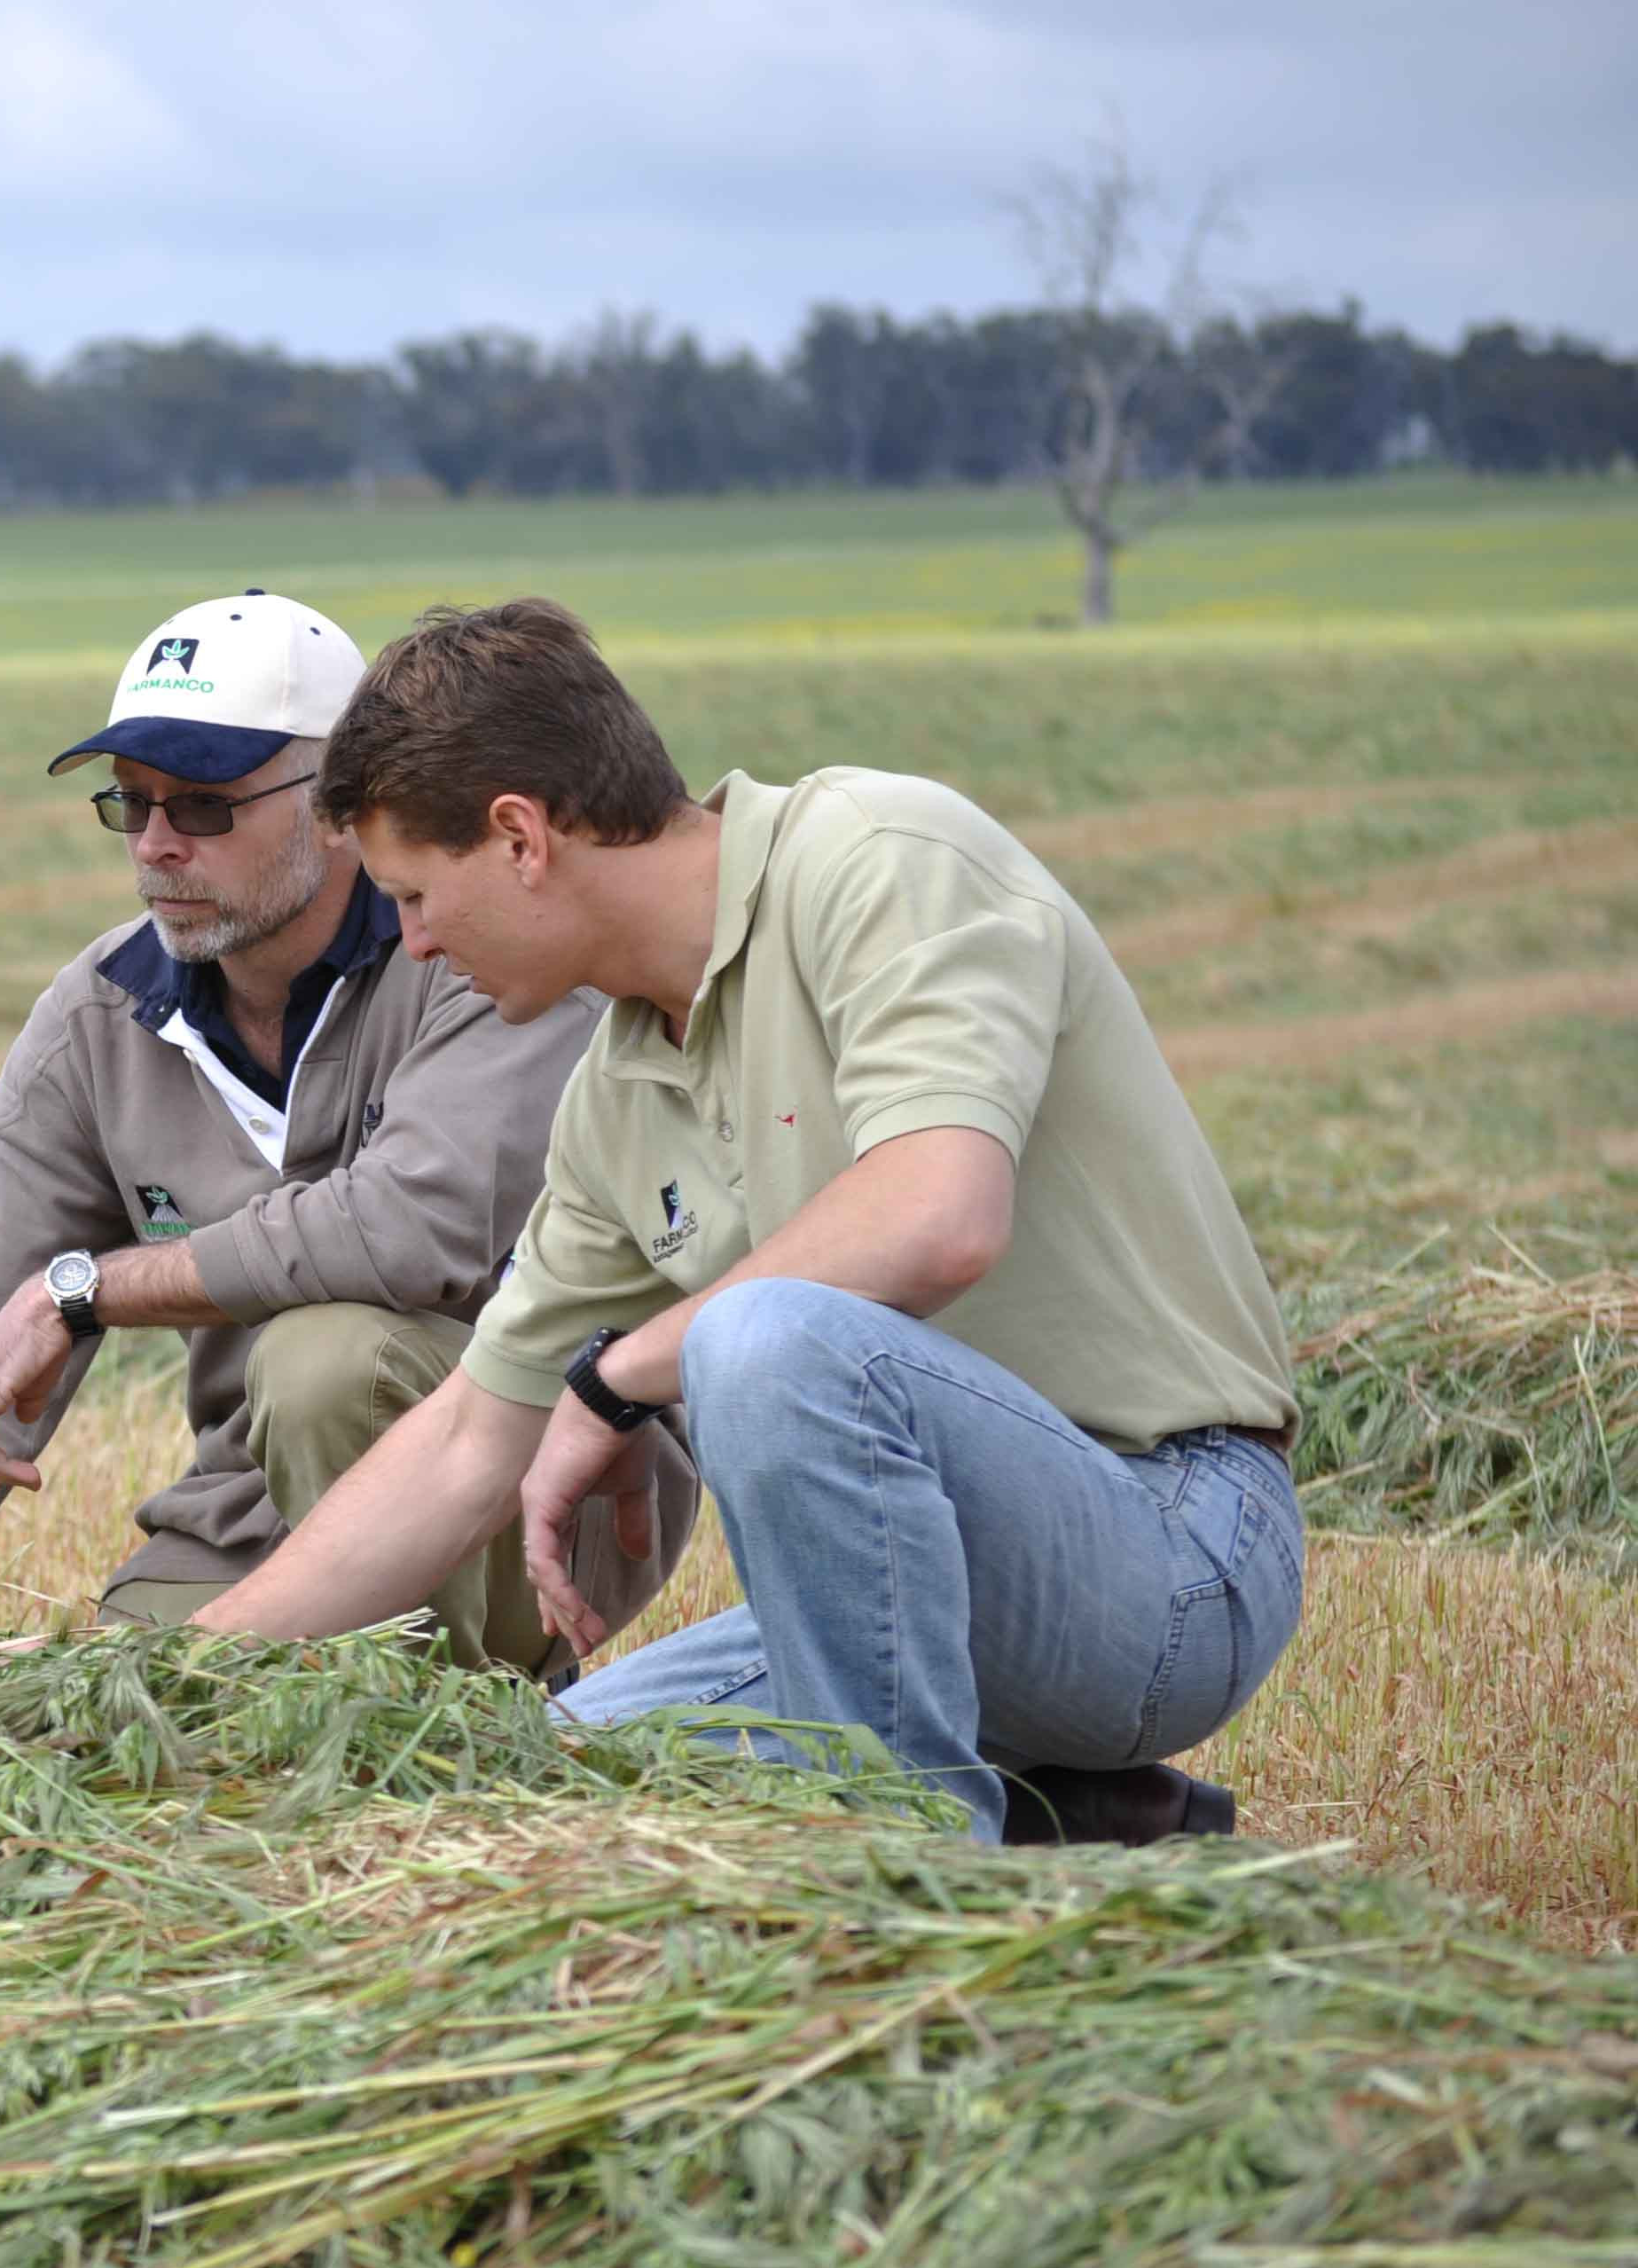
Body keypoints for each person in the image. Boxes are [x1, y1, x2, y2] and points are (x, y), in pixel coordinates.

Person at [197, 599, 1302, 1845]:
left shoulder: (881, 855)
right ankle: (1084, 1826)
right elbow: (465, 1445)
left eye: (411, 894)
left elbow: (939, 1214)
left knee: (766, 1339)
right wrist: (181, 1671)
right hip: (907, 1590)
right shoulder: (614, 1092)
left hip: (1172, 1550)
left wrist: (619, 1373)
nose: (414, 943)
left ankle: (914, 1888)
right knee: (549, 1797)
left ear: (517, 837)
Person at [0, 592, 694, 1662]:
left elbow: (410, 1226)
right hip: (245, 1511)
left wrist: (84, 1291)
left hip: (537, 1487)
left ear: (336, 801)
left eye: (205, 806)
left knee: (326, 1360)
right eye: (132, 806)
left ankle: (433, 1737)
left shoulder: (473, 949)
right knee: (91, 1731)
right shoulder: (99, 1015)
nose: (158, 845)